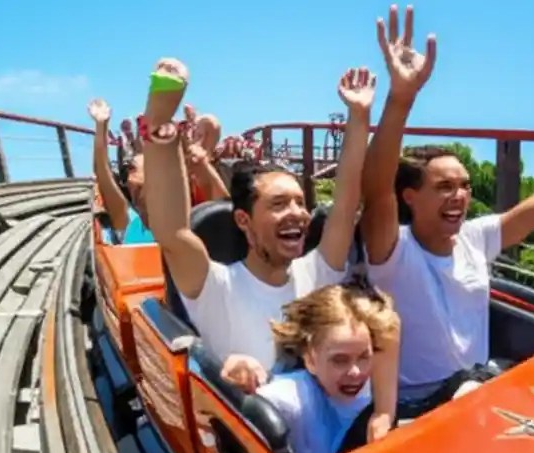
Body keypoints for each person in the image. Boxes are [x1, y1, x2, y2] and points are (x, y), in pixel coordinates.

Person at [358, 5, 534, 403]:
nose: (460, 195)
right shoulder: (392, 250)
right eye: (444, 186)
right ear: (410, 197)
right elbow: (376, 189)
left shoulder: (476, 237)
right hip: (419, 404)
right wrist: (401, 98)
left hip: (477, 390)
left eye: (465, 185)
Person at [141, 57, 376, 373]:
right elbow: (172, 232)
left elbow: (346, 204)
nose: (296, 214)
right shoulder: (217, 287)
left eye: (299, 202)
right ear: (243, 221)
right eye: (279, 204)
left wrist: (359, 115)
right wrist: (160, 120)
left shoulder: (316, 271)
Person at [221, 281, 400, 453]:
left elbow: (391, 327)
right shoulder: (290, 398)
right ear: (311, 360)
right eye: (340, 360)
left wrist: (384, 413)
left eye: (364, 357)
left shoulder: (377, 385)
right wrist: (234, 383)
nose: (356, 372)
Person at [89, 98, 155, 245]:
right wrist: (101, 126)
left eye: (133, 169)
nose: (128, 179)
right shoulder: (129, 220)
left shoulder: (175, 218)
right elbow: (102, 171)